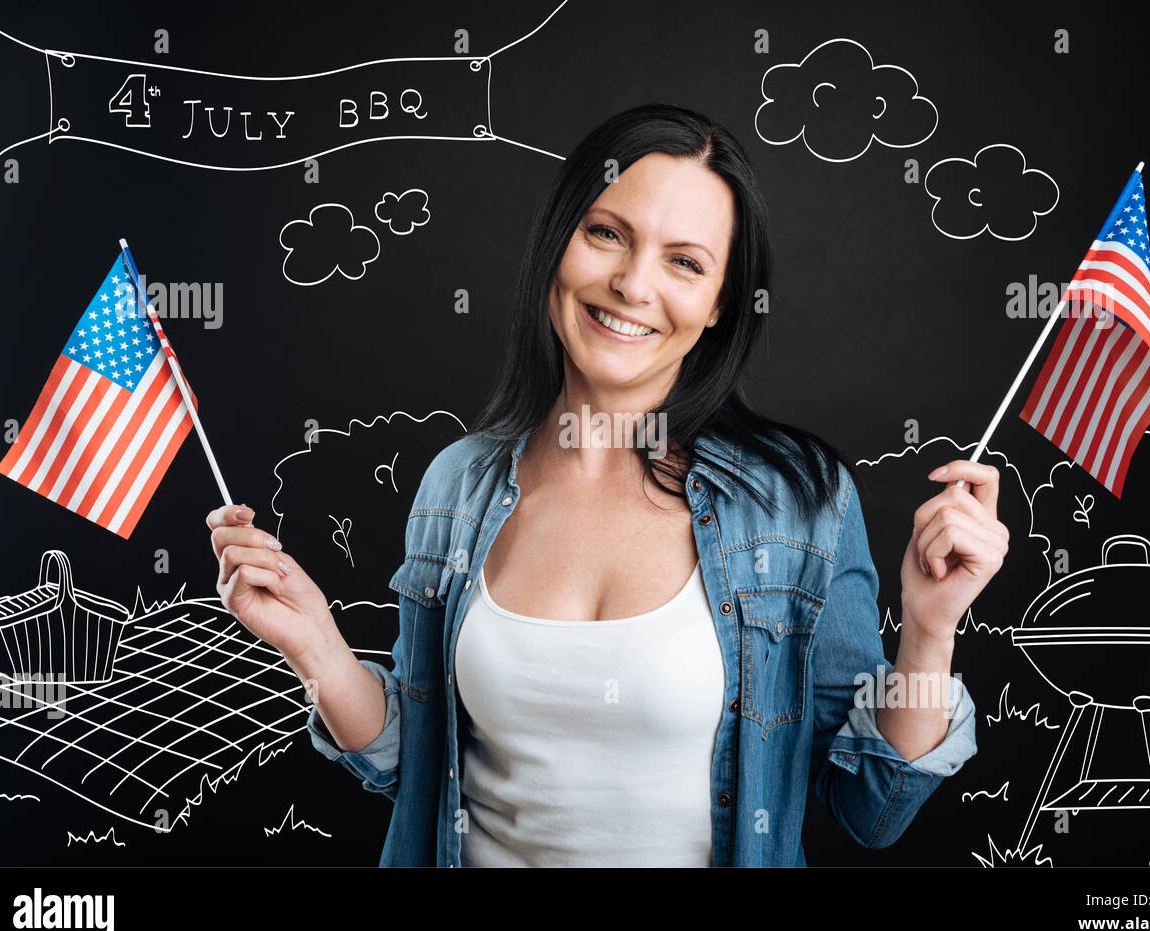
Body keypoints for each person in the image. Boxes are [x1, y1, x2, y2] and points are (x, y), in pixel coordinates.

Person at [205, 103, 1008, 867]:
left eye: (684, 262)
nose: (631, 284)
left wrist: (930, 631)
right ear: (561, 241)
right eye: (606, 234)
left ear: (721, 304)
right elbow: (412, 766)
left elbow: (871, 807)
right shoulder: (458, 484)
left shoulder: (796, 500)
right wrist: (315, 646)